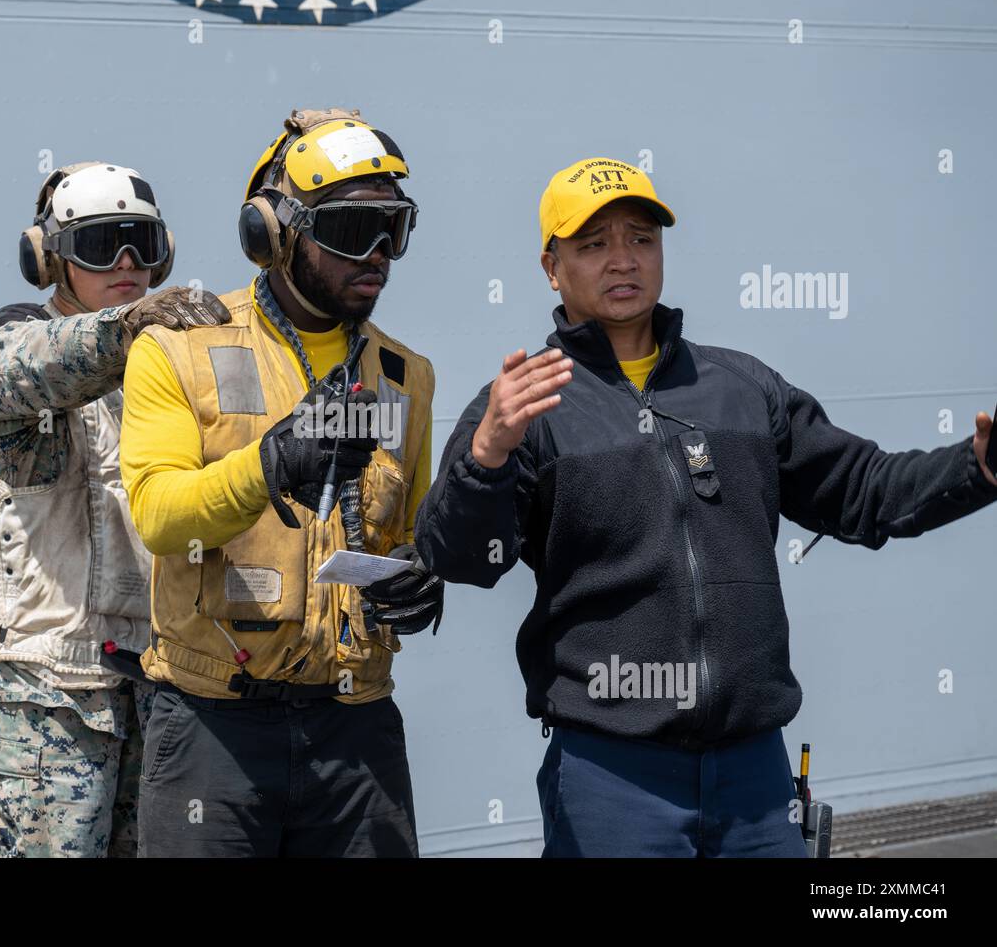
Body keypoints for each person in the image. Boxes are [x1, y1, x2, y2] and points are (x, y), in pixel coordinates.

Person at [416, 156, 997, 857]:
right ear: (551, 266)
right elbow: (458, 559)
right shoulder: (523, 406)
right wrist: (488, 456)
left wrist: (976, 467)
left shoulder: (741, 387)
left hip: (757, 779)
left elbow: (868, 491)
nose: (622, 260)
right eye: (593, 244)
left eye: (641, 238)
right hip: (612, 778)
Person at [121, 108, 443, 857]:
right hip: (212, 730)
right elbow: (162, 518)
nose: (379, 255)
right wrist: (271, 464)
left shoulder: (406, 377)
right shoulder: (180, 350)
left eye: (394, 228)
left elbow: (410, 536)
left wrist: (425, 576)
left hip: (357, 728)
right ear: (274, 234)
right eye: (351, 231)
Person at [0, 162, 229, 857]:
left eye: (141, 241)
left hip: (152, 689)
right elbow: (44, 362)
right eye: (102, 244)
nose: (128, 263)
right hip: (44, 699)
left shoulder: (163, 370)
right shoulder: (7, 354)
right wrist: (129, 325)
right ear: (52, 259)